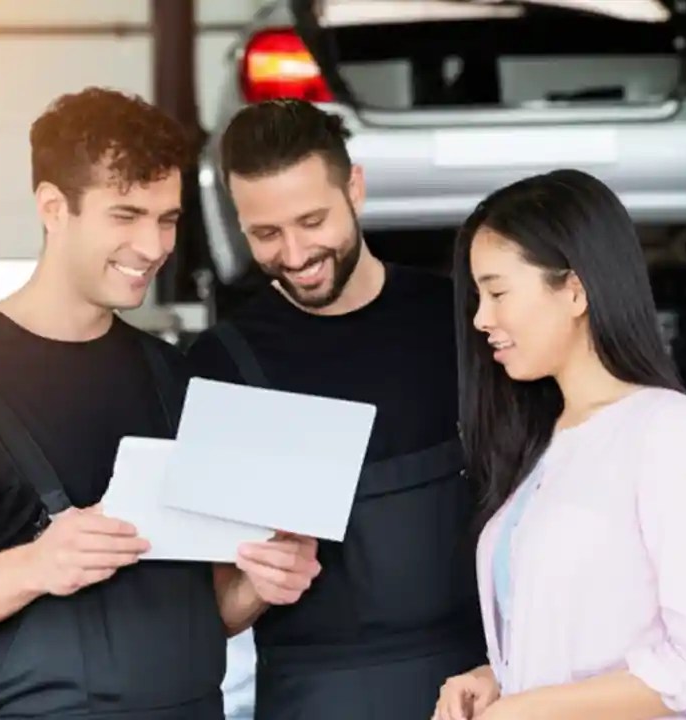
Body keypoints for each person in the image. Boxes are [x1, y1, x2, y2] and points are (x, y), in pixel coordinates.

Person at [0, 87, 320, 720]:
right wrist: (37, 564)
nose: (155, 246)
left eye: (168, 218)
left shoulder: (174, 379)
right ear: (53, 207)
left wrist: (259, 586)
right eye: (126, 216)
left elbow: (202, 613)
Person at [186, 99, 487, 720]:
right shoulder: (226, 364)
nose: (294, 255)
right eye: (265, 234)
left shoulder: (461, 319)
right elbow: (215, 613)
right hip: (315, 697)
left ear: (355, 187)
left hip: (478, 686)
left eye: (312, 220)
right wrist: (256, 588)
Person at [432, 169, 686, 720]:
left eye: (497, 292)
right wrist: (498, 680)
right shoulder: (545, 442)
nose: (482, 319)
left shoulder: (669, 434)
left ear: (576, 290)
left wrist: (526, 712)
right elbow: (573, 636)